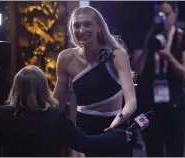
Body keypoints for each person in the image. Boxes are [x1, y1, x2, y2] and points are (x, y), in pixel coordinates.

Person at [0, 65, 133, 157]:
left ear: (15, 88)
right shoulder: (55, 118)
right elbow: (86, 144)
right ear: (43, 88)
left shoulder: (1, 114)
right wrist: (119, 136)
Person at [53, 6, 137, 156]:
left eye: (87, 24)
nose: (81, 30)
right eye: (76, 25)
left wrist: (121, 117)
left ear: (99, 27)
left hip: (116, 126)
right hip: (85, 129)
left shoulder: (117, 55)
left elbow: (131, 101)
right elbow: (57, 103)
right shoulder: (65, 58)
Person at [131, 1, 185, 157]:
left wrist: (170, 58)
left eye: (167, 14)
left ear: (175, 13)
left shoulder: (181, 37)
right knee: (153, 151)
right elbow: (135, 71)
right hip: (151, 107)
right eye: (159, 14)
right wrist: (147, 47)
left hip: (175, 106)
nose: (163, 18)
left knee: (175, 151)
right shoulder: (147, 35)